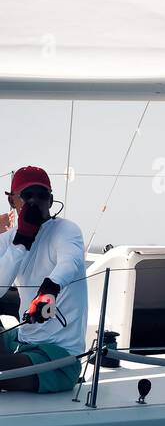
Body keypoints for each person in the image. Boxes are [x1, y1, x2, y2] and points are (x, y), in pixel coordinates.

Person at [0, 166, 87, 393]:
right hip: (21, 340)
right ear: (12, 201)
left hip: (59, 357)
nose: (35, 201)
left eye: (42, 195)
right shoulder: (9, 240)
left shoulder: (66, 230)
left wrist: (49, 291)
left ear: (50, 200)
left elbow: (71, 262)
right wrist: (22, 242)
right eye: (27, 195)